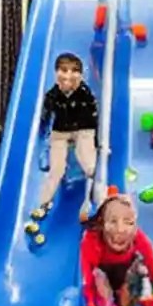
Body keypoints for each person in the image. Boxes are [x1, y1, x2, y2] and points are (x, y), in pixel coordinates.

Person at [79, 195, 153, 306]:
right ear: (102, 224)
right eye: (112, 221)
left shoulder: (138, 238)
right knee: (98, 277)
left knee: (139, 271)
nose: (120, 229)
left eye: (128, 222)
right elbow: (88, 281)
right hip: (105, 276)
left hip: (126, 276)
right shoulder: (92, 241)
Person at [34, 52, 99, 221]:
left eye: (74, 71)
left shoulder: (84, 93)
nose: (68, 76)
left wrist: (96, 139)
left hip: (83, 129)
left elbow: (94, 115)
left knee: (88, 163)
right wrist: (42, 125)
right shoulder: (53, 95)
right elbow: (45, 114)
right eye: (63, 71)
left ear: (80, 75)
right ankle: (44, 203)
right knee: (56, 169)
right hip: (61, 131)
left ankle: (95, 197)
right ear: (56, 74)